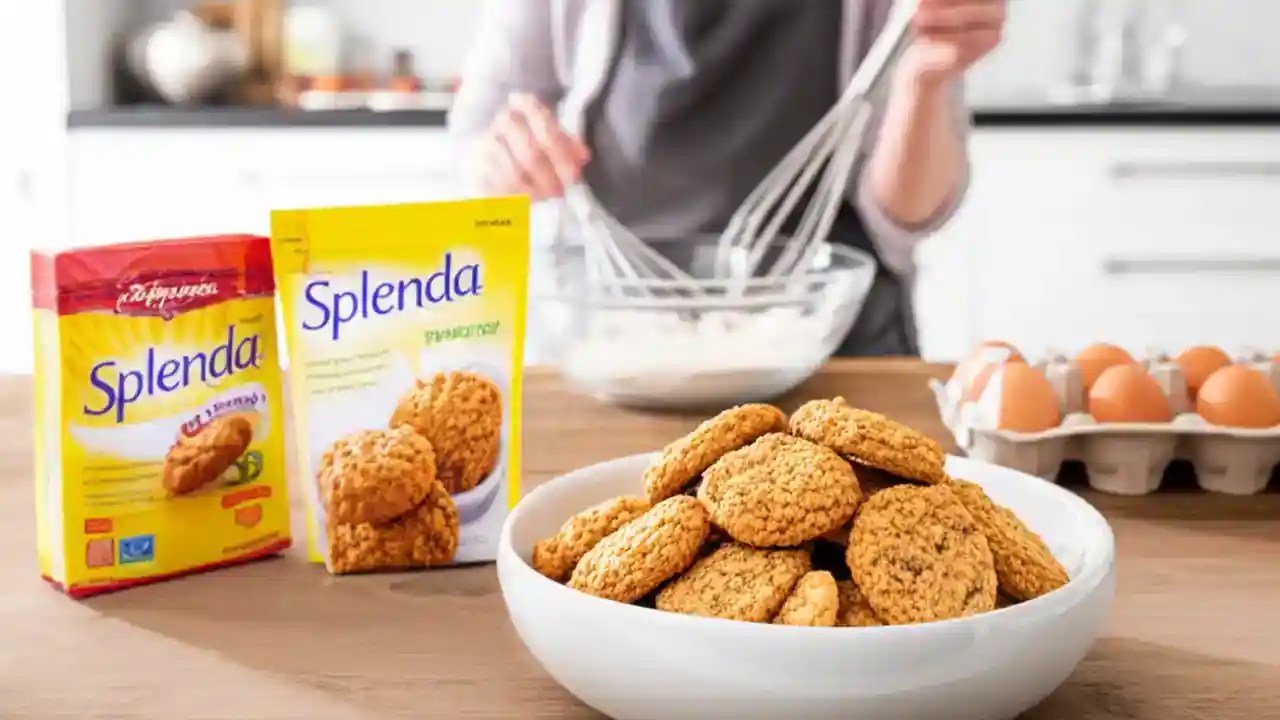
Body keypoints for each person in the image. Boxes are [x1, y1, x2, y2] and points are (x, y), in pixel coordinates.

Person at [449, 0, 1006, 357]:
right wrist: (505, 156)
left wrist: (925, 82)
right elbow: (477, 140)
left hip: (833, 341)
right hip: (611, 332)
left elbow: (910, 215)